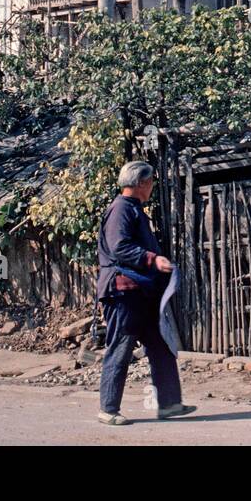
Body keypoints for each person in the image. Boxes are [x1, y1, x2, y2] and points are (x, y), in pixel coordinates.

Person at [96, 161, 195, 426]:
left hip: (141, 293)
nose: (151, 187)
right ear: (140, 183)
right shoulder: (121, 210)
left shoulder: (133, 210)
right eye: (150, 182)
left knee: (161, 346)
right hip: (124, 293)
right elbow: (120, 248)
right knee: (120, 346)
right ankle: (108, 409)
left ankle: (170, 404)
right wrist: (152, 259)